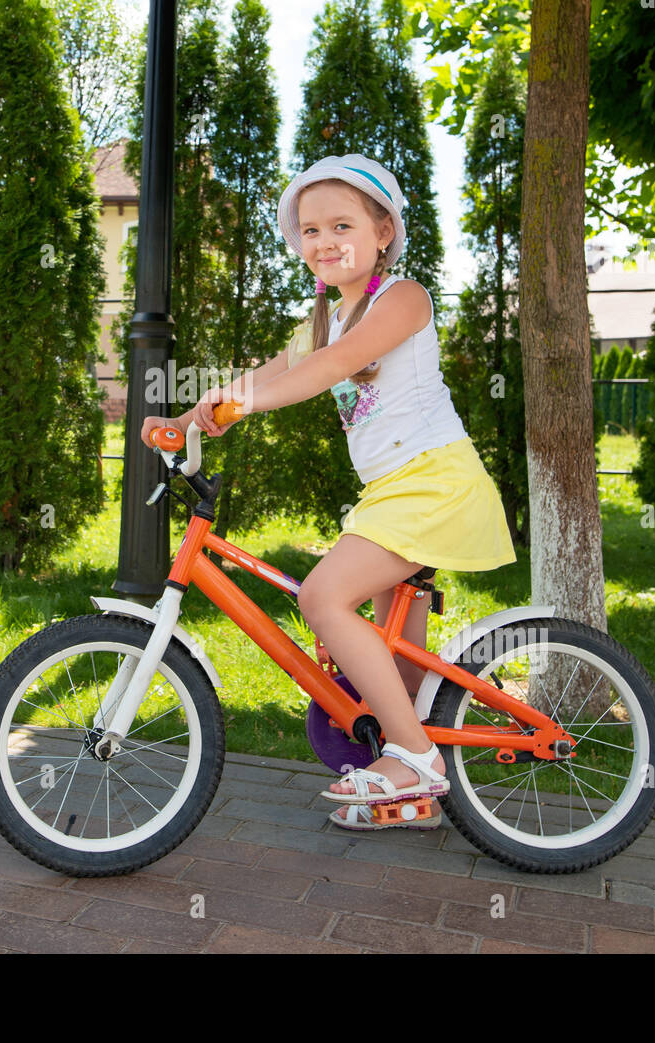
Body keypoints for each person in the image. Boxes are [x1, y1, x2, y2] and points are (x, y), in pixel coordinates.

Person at [140, 154, 516, 832]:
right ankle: (409, 791)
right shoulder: (321, 318)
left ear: (383, 230)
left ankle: (417, 757)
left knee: (320, 596)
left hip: (434, 483)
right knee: (393, 668)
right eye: (309, 230)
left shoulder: (402, 297)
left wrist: (247, 404)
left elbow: (333, 367)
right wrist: (186, 418)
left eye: (342, 224)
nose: (323, 240)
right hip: (391, 492)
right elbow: (274, 369)